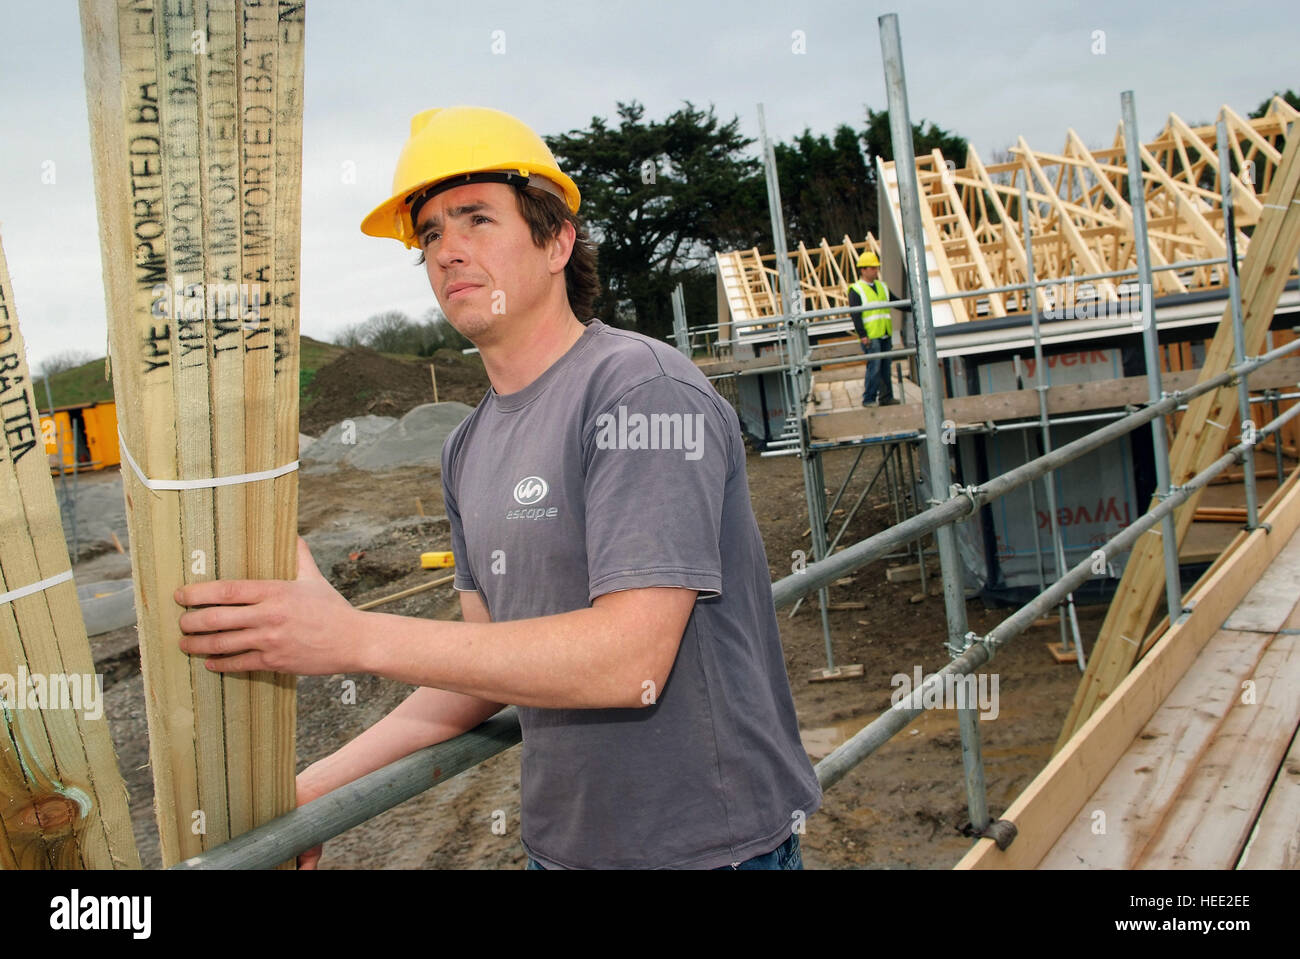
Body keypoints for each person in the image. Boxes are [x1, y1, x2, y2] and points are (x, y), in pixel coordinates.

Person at [173, 106, 822, 870]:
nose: (449, 251)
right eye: (431, 234)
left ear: (557, 241)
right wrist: (316, 791)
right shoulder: (466, 447)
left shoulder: (640, 392)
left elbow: (631, 663)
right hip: (563, 850)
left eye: (477, 218)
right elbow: (475, 672)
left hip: (710, 851)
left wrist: (352, 637)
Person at [849, 250, 900, 406]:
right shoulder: (856, 289)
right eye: (872, 268)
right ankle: (869, 398)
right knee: (874, 367)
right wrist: (863, 335)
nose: (876, 270)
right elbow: (855, 315)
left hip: (885, 332)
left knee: (885, 367)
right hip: (871, 336)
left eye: (876, 267)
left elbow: (896, 302)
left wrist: (914, 305)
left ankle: (886, 397)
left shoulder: (882, 286)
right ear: (863, 269)